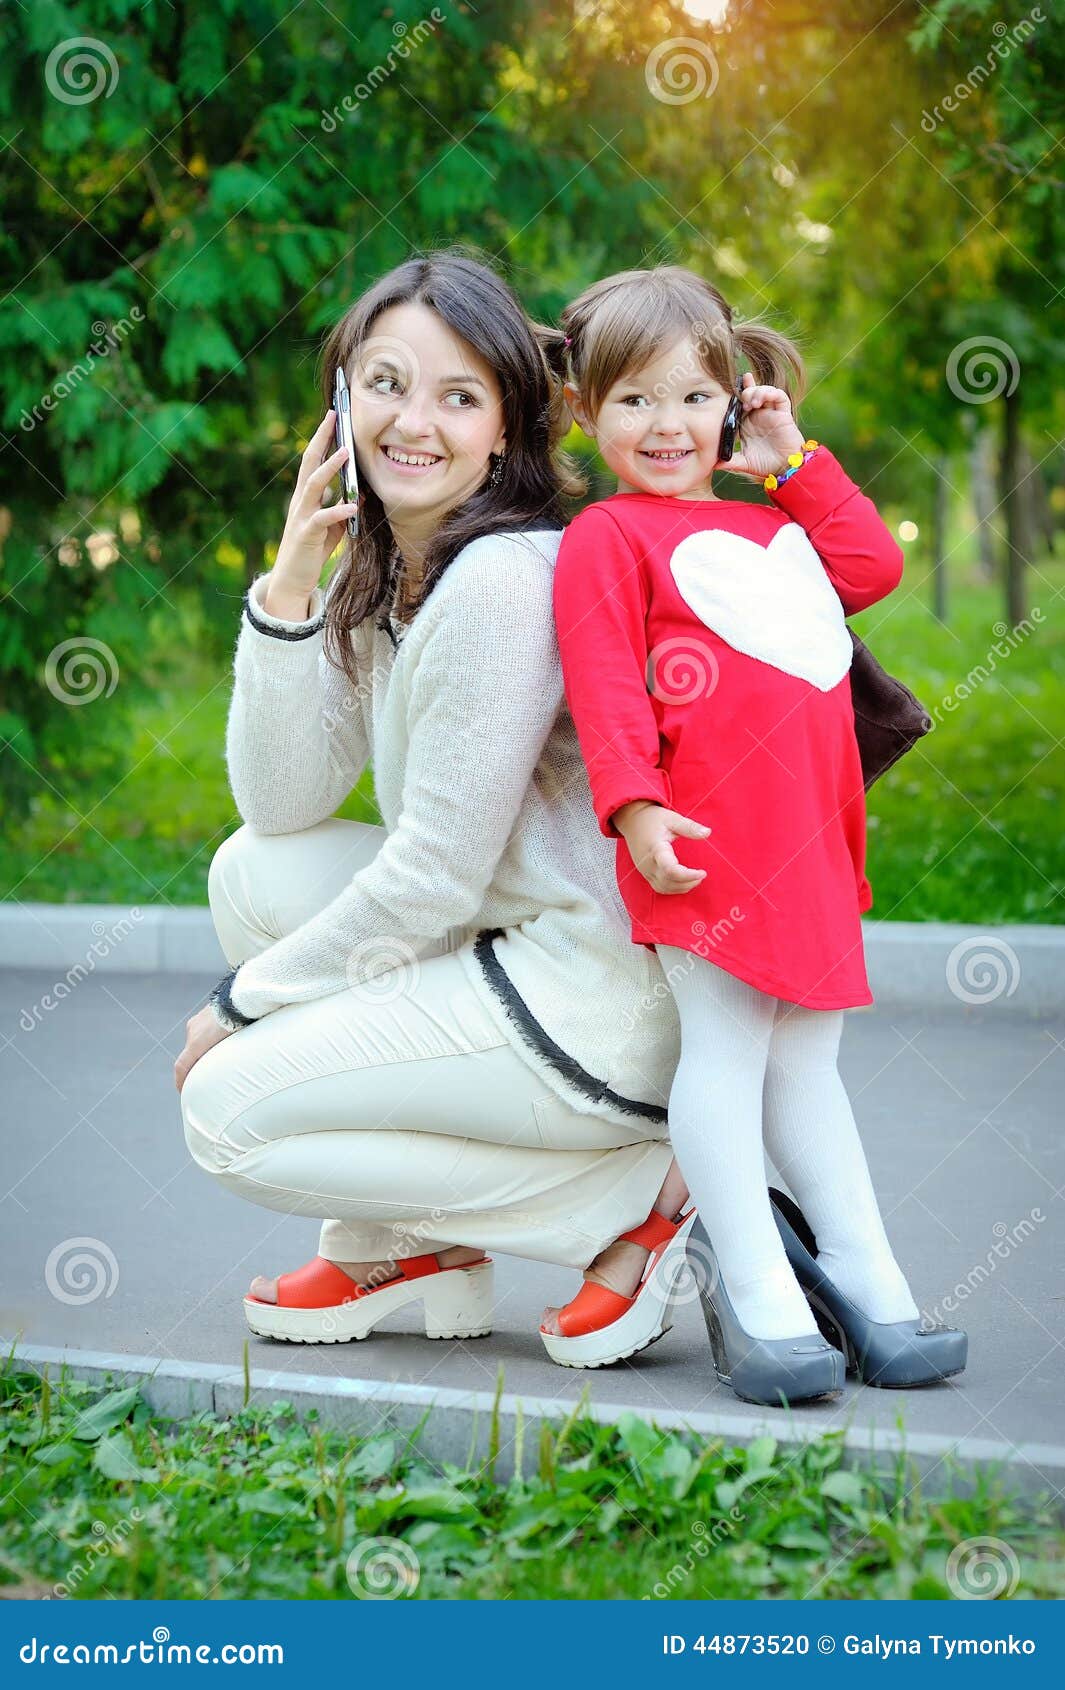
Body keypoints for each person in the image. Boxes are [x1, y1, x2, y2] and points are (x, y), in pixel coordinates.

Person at [174, 250, 697, 1354]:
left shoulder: (503, 580)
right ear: (341, 401)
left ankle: (627, 1208)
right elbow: (280, 799)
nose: (413, 422)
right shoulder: (397, 565)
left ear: (505, 428)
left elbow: (433, 877)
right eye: (385, 382)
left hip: (585, 999)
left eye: (459, 396)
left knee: (225, 1115)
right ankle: (399, 1247)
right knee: (251, 871)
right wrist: (289, 581)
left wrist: (241, 1004)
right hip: (499, 941)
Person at [549, 265, 967, 1403]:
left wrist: (791, 458)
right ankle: (759, 1284)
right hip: (706, 843)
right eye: (632, 401)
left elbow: (870, 567)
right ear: (587, 414)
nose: (666, 425)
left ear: (732, 399)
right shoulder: (608, 536)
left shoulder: (771, 523)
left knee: (811, 1066)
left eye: (694, 397)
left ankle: (867, 1276)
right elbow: (604, 690)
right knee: (725, 1053)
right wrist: (635, 810)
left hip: (813, 840)